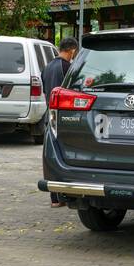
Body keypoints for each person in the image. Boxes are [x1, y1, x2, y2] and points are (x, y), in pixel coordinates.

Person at [41, 38, 78, 208]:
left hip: (50, 114)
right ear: (72, 50)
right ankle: (63, 195)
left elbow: (44, 90)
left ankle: (54, 198)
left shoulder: (47, 67)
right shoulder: (67, 68)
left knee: (52, 156)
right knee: (64, 155)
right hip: (64, 117)